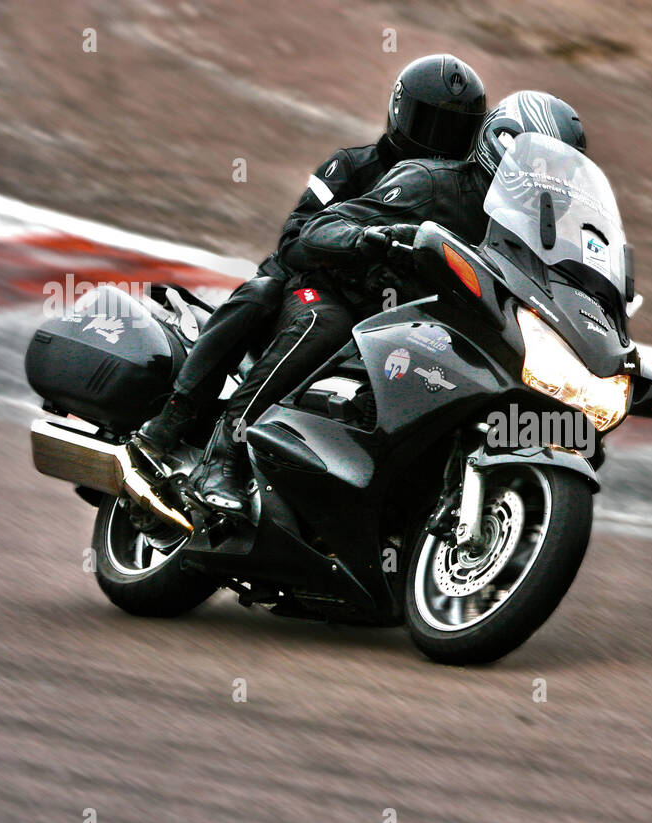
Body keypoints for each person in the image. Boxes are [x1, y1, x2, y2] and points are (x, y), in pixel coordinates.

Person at [192, 91, 589, 514]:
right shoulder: (432, 181)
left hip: (429, 326)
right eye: (541, 168)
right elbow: (319, 228)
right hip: (341, 294)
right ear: (502, 145)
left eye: (561, 173)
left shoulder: (542, 237)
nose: (547, 182)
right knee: (324, 325)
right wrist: (366, 239)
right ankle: (223, 457)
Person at [137, 54, 488, 454]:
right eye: (430, 123)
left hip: (386, 322)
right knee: (267, 293)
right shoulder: (351, 166)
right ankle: (190, 424)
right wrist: (363, 244)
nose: (438, 139)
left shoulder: (459, 197)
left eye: (454, 130)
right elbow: (294, 244)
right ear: (400, 110)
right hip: (311, 296)